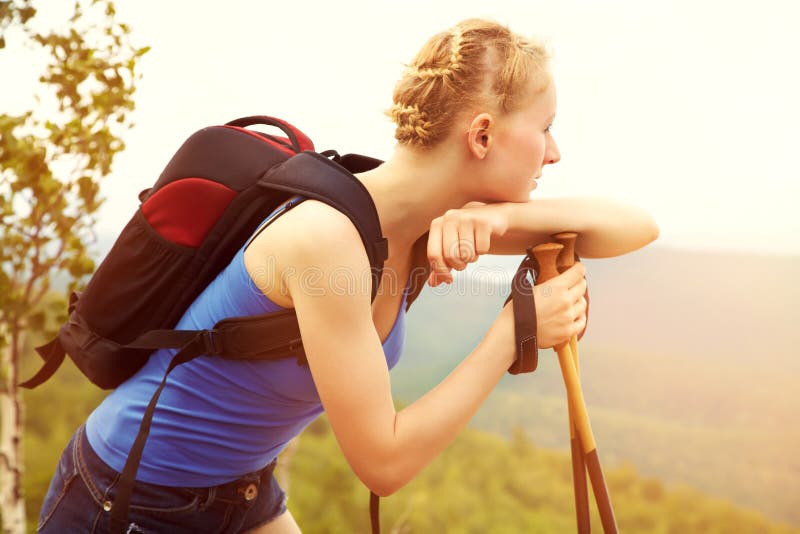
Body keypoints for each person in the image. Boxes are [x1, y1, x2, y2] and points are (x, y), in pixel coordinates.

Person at [38, 17, 658, 534]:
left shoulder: (427, 220)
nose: (554, 152)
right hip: (130, 497)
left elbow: (634, 227)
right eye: (545, 127)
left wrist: (498, 217)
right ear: (483, 134)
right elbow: (383, 463)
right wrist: (512, 333)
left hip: (243, 491)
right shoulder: (325, 239)